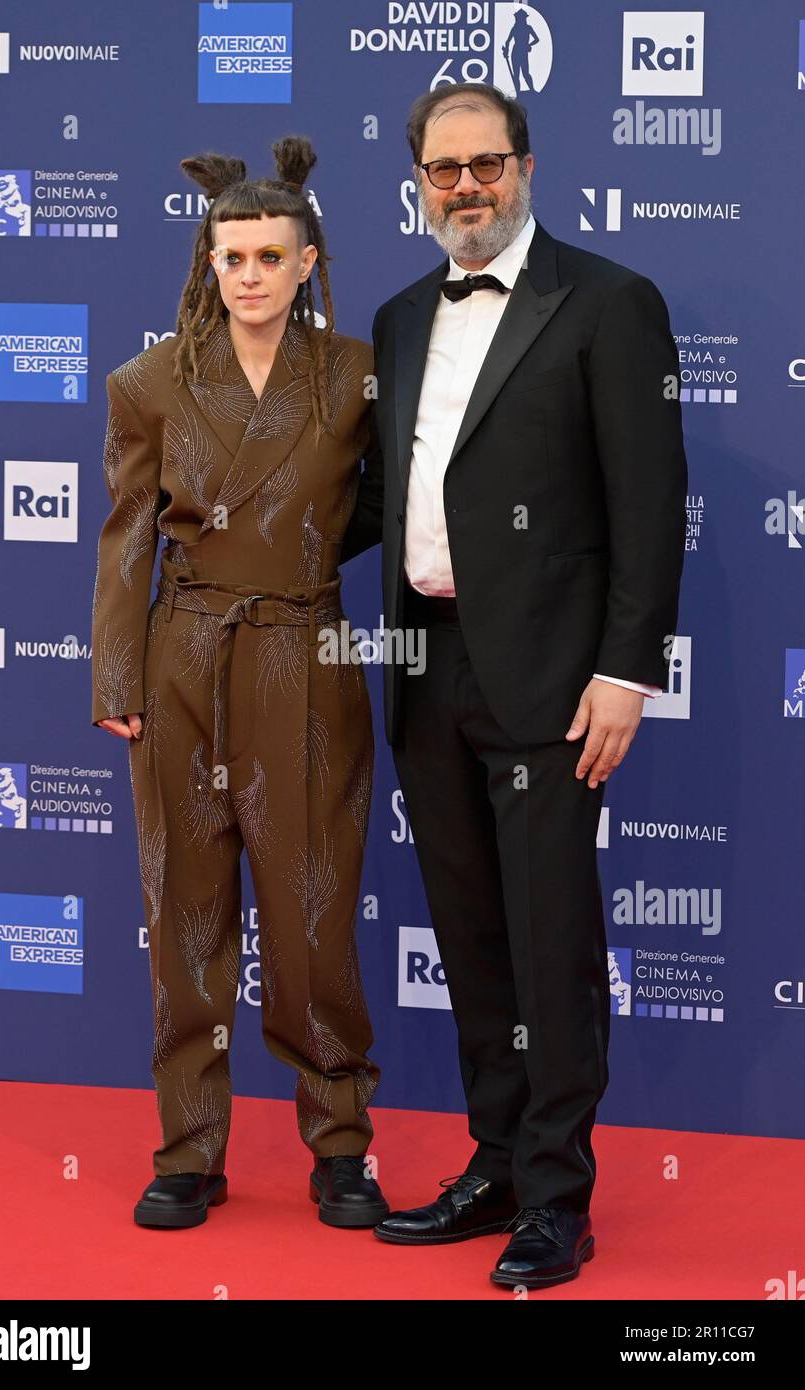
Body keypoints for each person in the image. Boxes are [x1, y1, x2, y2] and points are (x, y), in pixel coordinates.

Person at [341, 83, 687, 1289]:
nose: (466, 187)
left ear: (526, 167)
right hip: (425, 667)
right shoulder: (392, 318)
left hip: (549, 677)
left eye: (486, 163)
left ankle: (556, 1196)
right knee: (472, 937)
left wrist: (623, 672)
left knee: (548, 942)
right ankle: (493, 1162)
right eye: (444, 170)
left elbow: (648, 508)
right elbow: (375, 501)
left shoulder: (606, 303)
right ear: (418, 184)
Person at [90, 137, 389, 1231]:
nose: (251, 275)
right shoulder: (148, 380)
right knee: (185, 911)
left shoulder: (358, 374)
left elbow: (384, 509)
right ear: (207, 262)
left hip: (303, 653)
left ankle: (341, 1145)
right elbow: (126, 535)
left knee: (313, 915)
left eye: (272, 255)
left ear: (308, 260)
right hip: (180, 661)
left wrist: (300, 560)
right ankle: (187, 1149)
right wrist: (116, 670)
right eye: (233, 257)